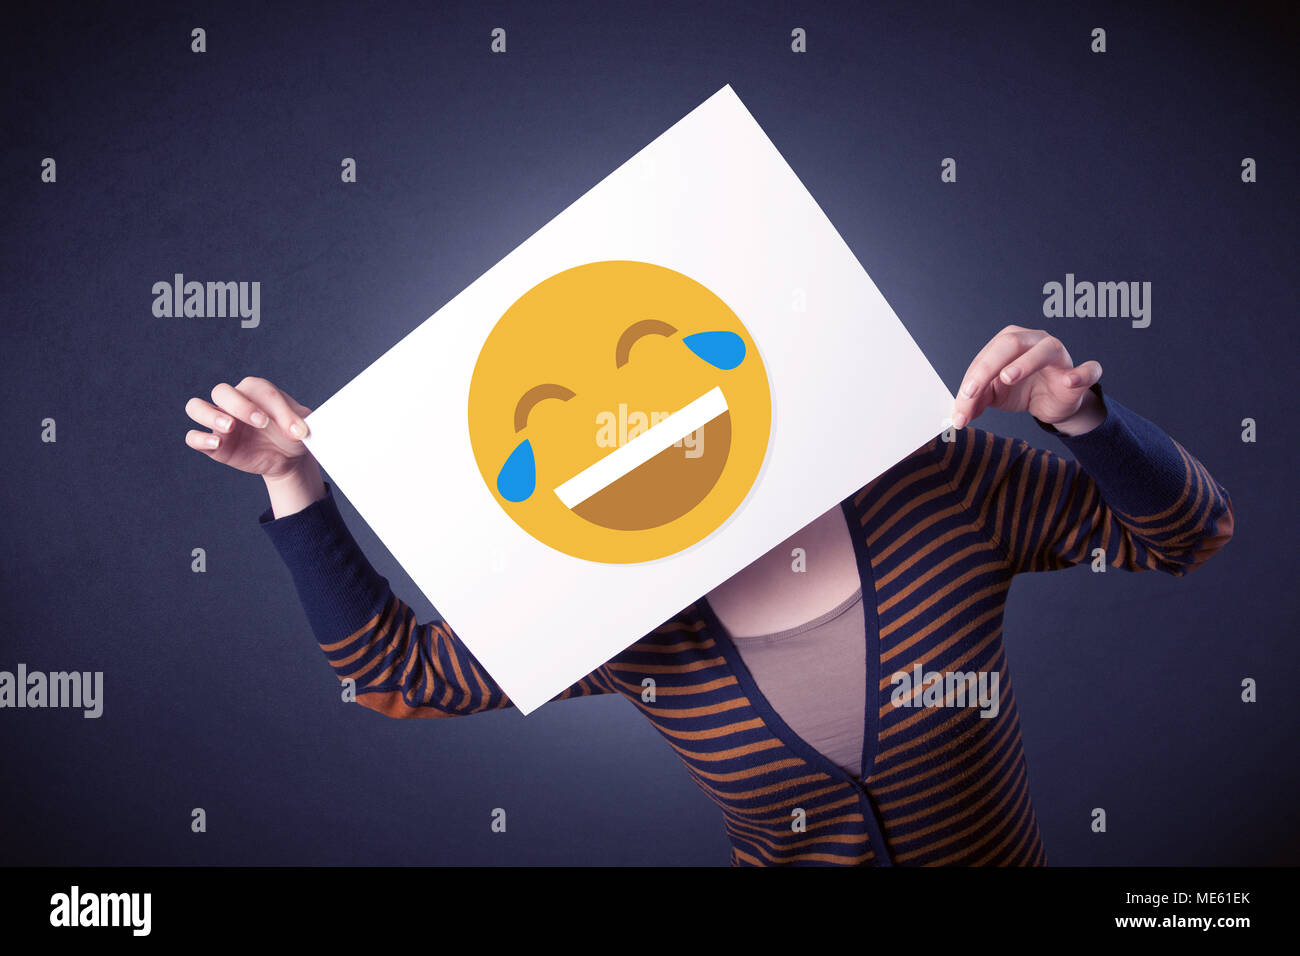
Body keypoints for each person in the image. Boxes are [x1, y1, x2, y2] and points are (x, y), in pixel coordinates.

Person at [183, 325, 1234, 866]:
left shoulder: (936, 479)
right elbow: (390, 675)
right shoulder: (602, 598)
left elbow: (1189, 533)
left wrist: (1081, 415)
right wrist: (293, 476)